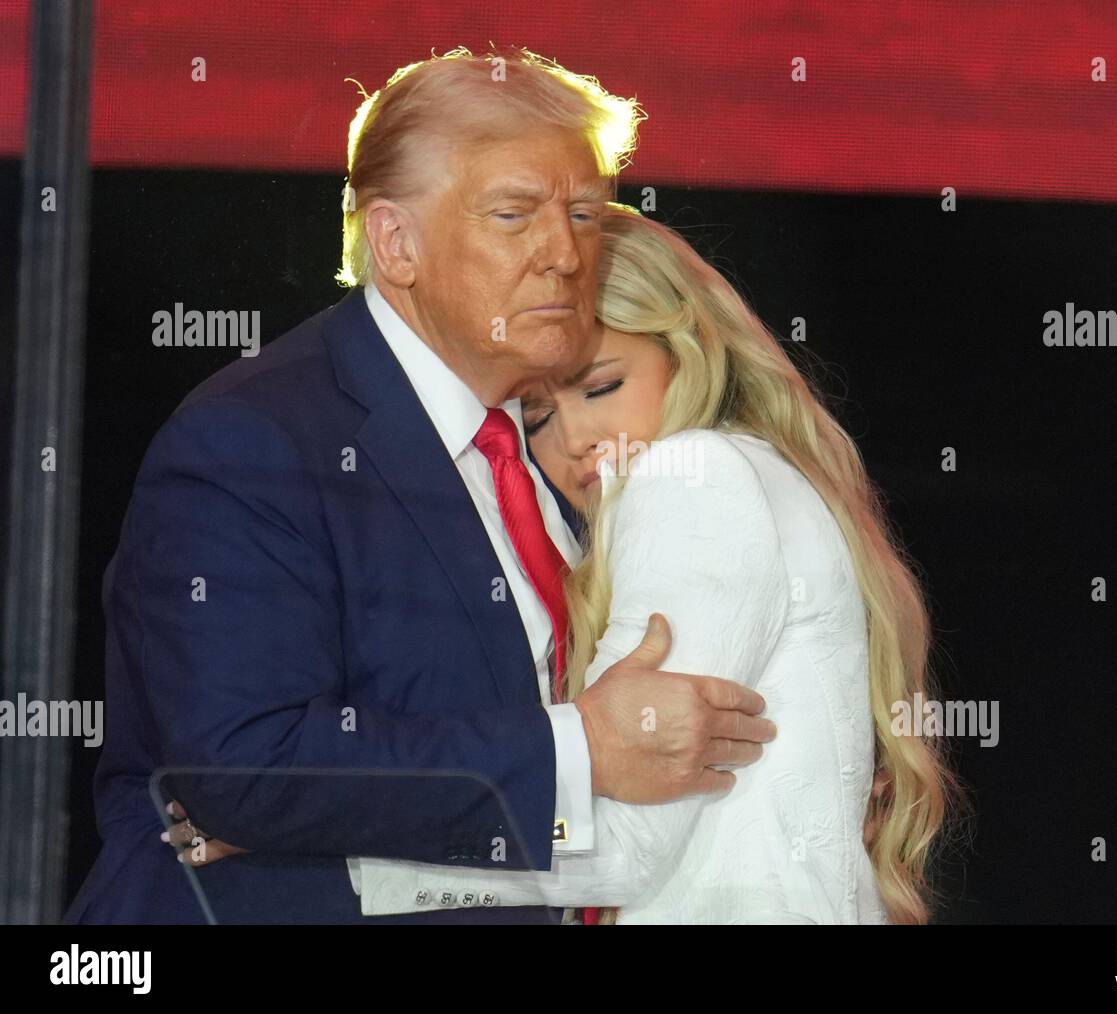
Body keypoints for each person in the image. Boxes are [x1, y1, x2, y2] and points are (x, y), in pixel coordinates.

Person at [64, 48, 777, 926]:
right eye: (515, 215)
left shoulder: (574, 461)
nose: (564, 254)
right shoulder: (252, 438)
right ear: (396, 243)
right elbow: (238, 765)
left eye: (585, 213)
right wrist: (576, 749)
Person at [180, 208, 967, 924]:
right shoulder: (754, 479)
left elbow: (623, 837)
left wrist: (337, 849)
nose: (581, 439)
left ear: (687, 347)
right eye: (541, 417)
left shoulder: (692, 479)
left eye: (603, 386)